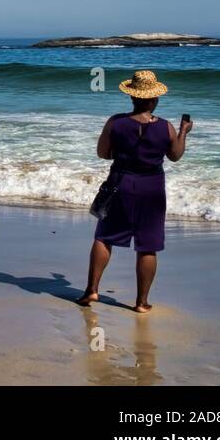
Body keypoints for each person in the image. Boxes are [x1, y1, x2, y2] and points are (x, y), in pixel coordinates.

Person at [78, 70, 192, 313]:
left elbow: (102, 153)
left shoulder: (116, 122)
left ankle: (92, 290)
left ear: (131, 97)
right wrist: (183, 131)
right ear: (154, 100)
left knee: (104, 237)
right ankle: (141, 302)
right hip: (152, 188)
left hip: (121, 182)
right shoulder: (166, 127)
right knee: (147, 246)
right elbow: (175, 156)